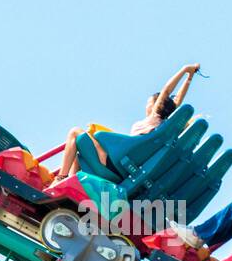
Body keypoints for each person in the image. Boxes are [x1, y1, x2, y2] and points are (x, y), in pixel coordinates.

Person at [54, 63, 202, 179]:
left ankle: (61, 178)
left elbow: (166, 92)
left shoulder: (153, 119)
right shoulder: (162, 128)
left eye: (148, 103)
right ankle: (70, 182)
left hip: (112, 165)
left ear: (157, 104)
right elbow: (176, 102)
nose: (146, 106)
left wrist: (184, 70)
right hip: (124, 172)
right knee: (82, 149)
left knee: (75, 133)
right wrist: (189, 78)